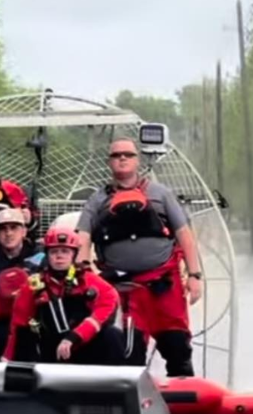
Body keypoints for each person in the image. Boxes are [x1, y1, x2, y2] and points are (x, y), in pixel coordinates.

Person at [74, 138, 204, 376]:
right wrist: (84, 274)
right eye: (116, 155)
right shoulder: (97, 200)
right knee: (130, 353)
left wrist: (195, 275)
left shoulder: (160, 193)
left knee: (177, 347)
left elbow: (184, 234)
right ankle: (133, 397)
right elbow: (83, 236)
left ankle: (183, 392)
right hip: (125, 290)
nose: (122, 158)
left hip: (165, 286)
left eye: (127, 154)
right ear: (109, 162)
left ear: (138, 160)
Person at [4, 227, 125, 364]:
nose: (59, 256)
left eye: (65, 251)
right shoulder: (33, 285)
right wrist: (7, 359)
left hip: (85, 345)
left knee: (112, 335)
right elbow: (18, 325)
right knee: (24, 335)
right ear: (47, 255)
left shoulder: (89, 280)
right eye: (54, 251)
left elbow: (108, 304)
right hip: (52, 350)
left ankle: (115, 381)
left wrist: (75, 336)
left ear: (74, 255)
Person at [0, 208, 44, 360]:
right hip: (2, 317)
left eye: (14, 227)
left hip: (35, 315)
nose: (9, 234)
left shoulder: (40, 254)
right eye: (3, 229)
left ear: (24, 231)